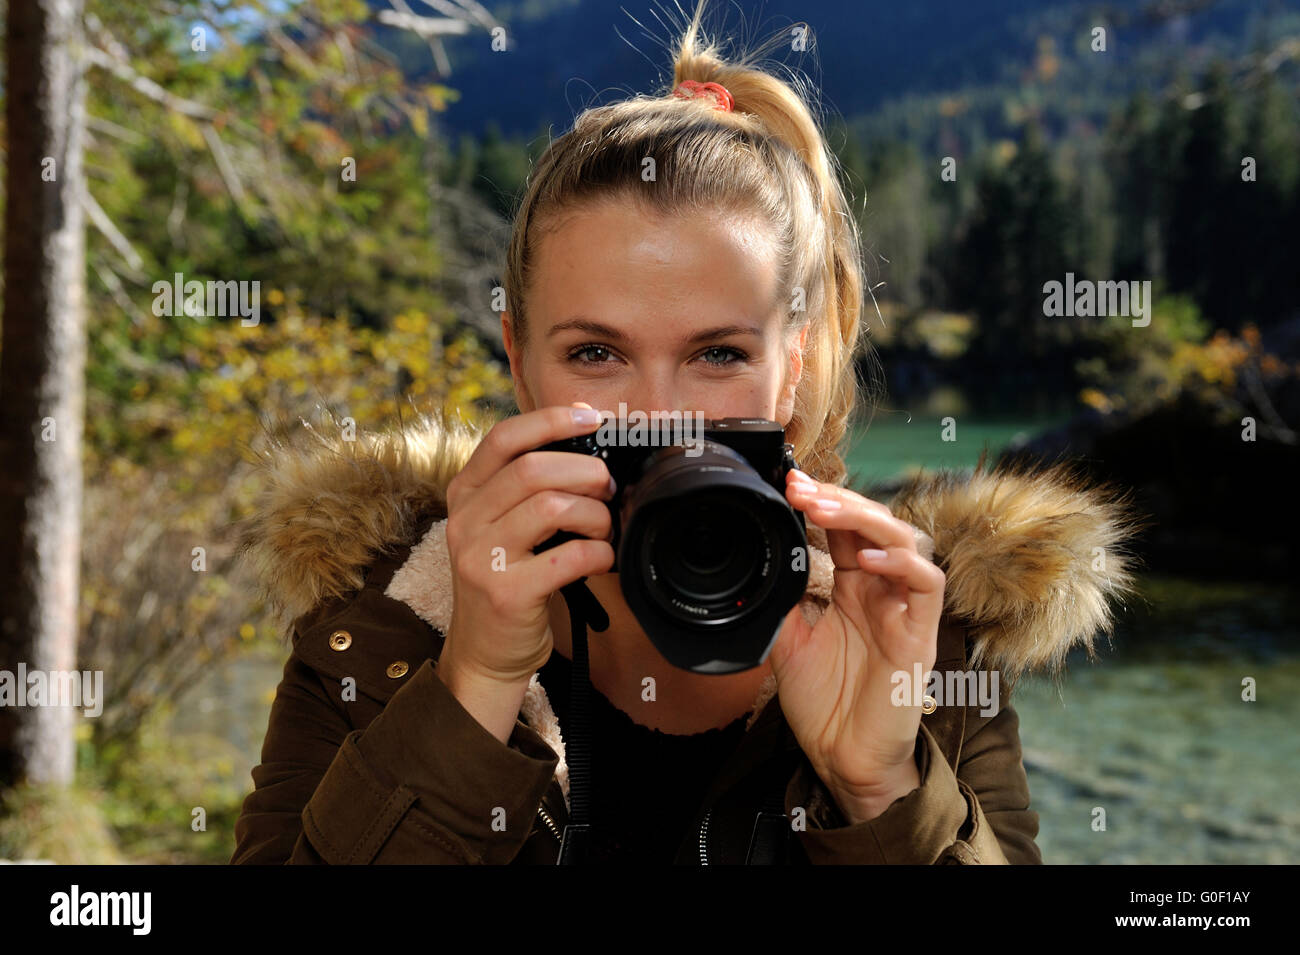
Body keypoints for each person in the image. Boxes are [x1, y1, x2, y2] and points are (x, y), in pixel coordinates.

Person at [229, 3, 1139, 865]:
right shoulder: (379, 622)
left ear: (793, 366)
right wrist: (466, 690)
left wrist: (879, 789)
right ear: (519, 360)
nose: (658, 412)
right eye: (595, 352)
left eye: (716, 354)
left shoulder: (922, 644)